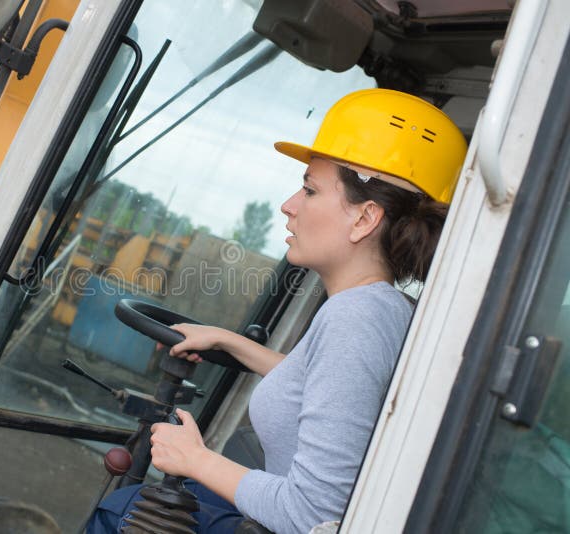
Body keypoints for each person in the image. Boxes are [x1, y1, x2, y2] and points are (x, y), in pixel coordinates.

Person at [87, 88, 468, 533]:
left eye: (309, 190)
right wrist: (231, 341)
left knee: (122, 510)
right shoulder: (382, 307)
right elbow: (325, 386)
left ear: (364, 219)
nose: (288, 205)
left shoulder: (356, 320)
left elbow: (313, 515)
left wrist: (195, 459)